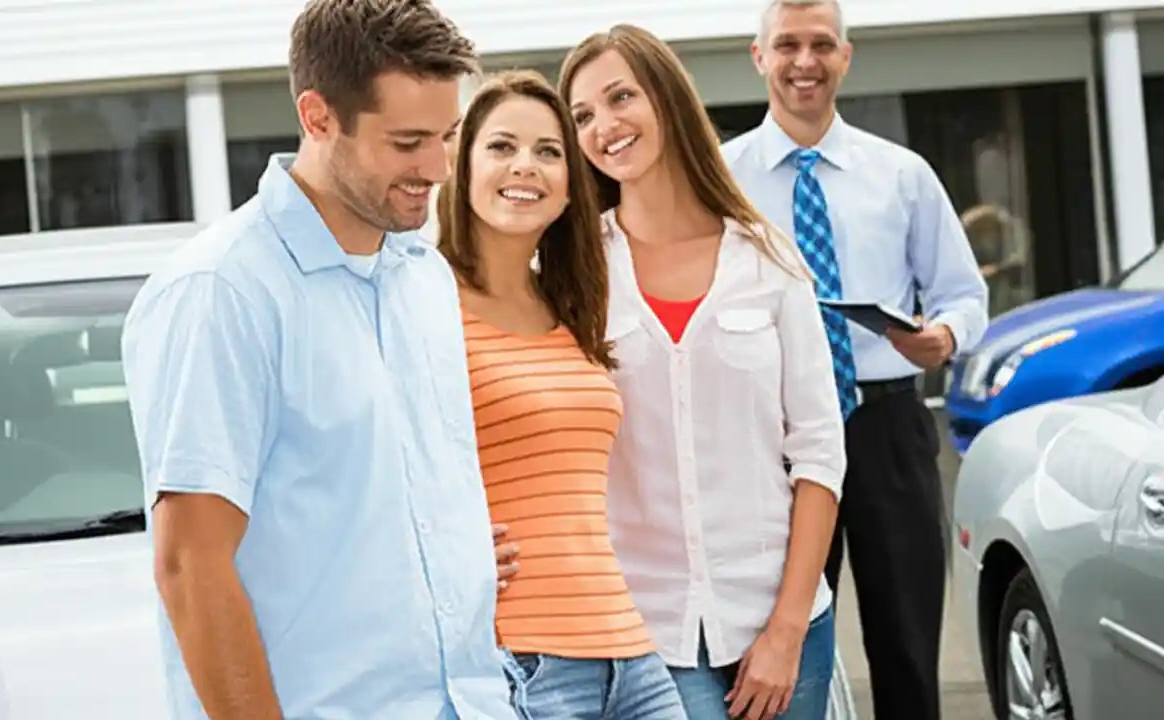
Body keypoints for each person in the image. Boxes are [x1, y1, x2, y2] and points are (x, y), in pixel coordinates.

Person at [120, 2, 514, 718]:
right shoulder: (221, 291)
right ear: (318, 115)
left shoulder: (424, 276)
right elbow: (189, 567)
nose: (439, 168)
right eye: (408, 142)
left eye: (448, 135)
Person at [559, 23, 847, 720]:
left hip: (784, 624)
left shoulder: (769, 259)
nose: (605, 126)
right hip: (643, 631)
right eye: (583, 116)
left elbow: (817, 453)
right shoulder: (571, 276)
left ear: (666, 97)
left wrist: (785, 632)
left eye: (620, 97)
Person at [720, 1, 989, 718]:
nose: (803, 61)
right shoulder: (718, 178)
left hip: (885, 425)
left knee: (905, 641)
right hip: (768, 436)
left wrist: (946, 339)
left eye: (820, 45)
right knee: (778, 647)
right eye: (787, 46)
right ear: (758, 56)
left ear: (846, 55)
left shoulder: (901, 174)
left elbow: (963, 293)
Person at [438, 69, 687, 720]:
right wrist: (435, 548)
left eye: (549, 151)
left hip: (628, 649)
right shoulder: (422, 303)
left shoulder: (569, 306)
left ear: (571, 184)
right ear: (460, 167)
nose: (526, 166)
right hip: (521, 660)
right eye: (501, 146)